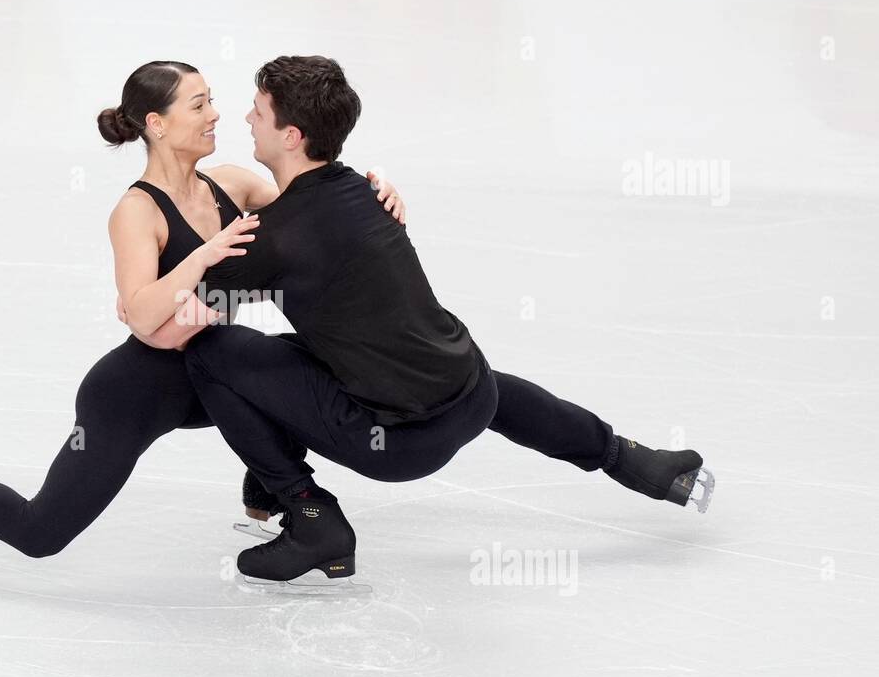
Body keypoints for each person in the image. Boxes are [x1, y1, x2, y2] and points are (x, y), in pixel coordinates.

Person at [0, 60, 407, 558]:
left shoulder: (235, 184)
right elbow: (141, 316)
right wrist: (201, 259)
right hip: (137, 392)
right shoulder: (136, 211)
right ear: (156, 124)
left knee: (300, 378)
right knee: (39, 533)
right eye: (199, 104)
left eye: (214, 99)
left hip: (213, 372)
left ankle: (274, 493)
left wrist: (374, 189)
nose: (216, 113)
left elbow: (312, 219)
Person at [154, 55, 715, 584]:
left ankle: (311, 518)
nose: (245, 117)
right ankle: (631, 460)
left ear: (292, 136)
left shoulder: (274, 240)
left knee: (213, 352)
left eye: (259, 110)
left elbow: (176, 316)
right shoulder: (364, 192)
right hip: (475, 394)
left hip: (400, 445)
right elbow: (313, 245)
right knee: (388, 355)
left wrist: (187, 267)